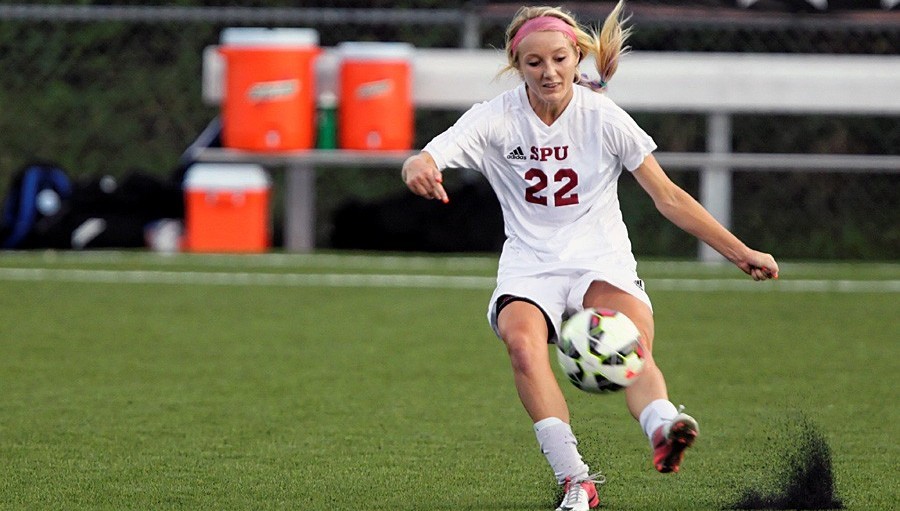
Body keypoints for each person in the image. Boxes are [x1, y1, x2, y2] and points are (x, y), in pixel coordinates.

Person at [401, 2, 779, 510]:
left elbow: (668, 196)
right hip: (530, 262)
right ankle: (576, 481)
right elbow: (429, 154)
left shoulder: (603, 117)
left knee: (628, 340)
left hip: (599, 258)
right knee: (521, 343)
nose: (549, 71)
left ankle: (664, 425)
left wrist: (739, 251)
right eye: (534, 63)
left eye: (559, 58)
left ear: (576, 55)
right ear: (517, 65)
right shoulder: (494, 118)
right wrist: (416, 166)